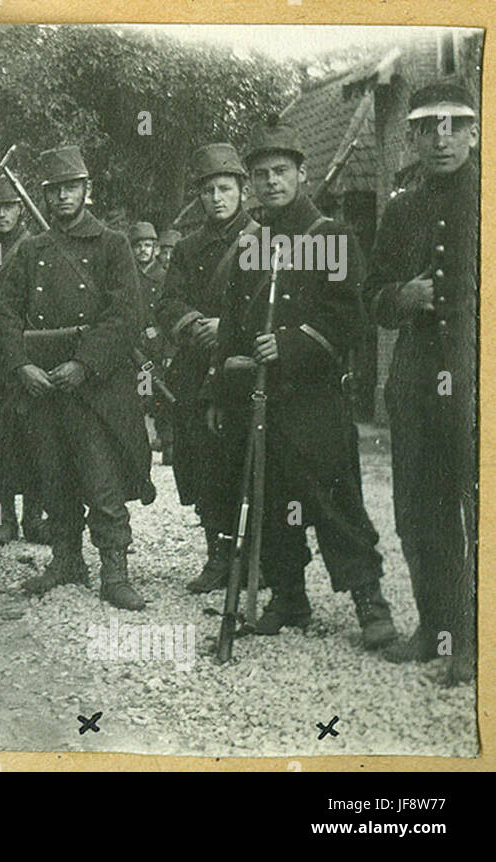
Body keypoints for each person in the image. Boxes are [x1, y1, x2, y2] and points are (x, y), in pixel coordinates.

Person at [207, 118, 397, 649]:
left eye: (281, 172)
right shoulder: (253, 242)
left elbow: (352, 319)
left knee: (335, 499)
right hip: (259, 398)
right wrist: (220, 388)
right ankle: (289, 595)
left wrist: (290, 344)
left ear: (302, 173)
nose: (271, 182)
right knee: (269, 500)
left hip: (314, 399)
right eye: (262, 174)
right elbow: (235, 318)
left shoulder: (329, 236)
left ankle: (368, 598)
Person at [0, 146, 155, 609]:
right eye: (54, 190)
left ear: (87, 190)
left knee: (102, 479)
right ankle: (66, 560)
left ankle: (115, 571)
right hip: (43, 384)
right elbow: (4, 310)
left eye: (71, 187)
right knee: (52, 474)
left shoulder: (112, 244)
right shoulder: (30, 250)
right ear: (45, 195)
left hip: (97, 388)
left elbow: (126, 314)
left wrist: (84, 364)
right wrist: (21, 364)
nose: (63, 196)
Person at [365, 81, 478, 684]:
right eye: (428, 126)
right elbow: (372, 299)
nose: (441, 137)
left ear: (474, 133)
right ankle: (436, 629)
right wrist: (401, 297)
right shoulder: (402, 207)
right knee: (419, 510)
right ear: (412, 134)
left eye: (453, 125)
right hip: (415, 383)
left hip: (474, 379)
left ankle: (475, 639)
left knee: (475, 507)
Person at [155, 142, 257, 593]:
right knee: (202, 464)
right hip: (197, 371)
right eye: (208, 190)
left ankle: (256, 557)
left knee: (247, 463)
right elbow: (169, 300)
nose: (216, 198)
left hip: (242, 368)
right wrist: (193, 323)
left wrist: (230, 328)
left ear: (241, 190)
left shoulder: (264, 240)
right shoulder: (188, 247)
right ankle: (217, 556)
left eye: (225, 188)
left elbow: (275, 302)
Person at [0, 175, 48, 546]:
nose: (1, 215)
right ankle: (5, 518)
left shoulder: (34, 245)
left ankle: (34, 516)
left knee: (33, 437)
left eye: (8, 208)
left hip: (26, 351)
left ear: (20, 209)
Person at [130, 220, 174, 460]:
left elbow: (171, 314)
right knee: (140, 394)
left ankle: (168, 443)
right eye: (138, 246)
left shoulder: (164, 278)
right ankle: (142, 443)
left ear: (156, 249)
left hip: (158, 350)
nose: (143, 250)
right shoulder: (127, 276)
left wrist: (168, 350)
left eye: (148, 245)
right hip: (135, 349)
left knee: (162, 395)